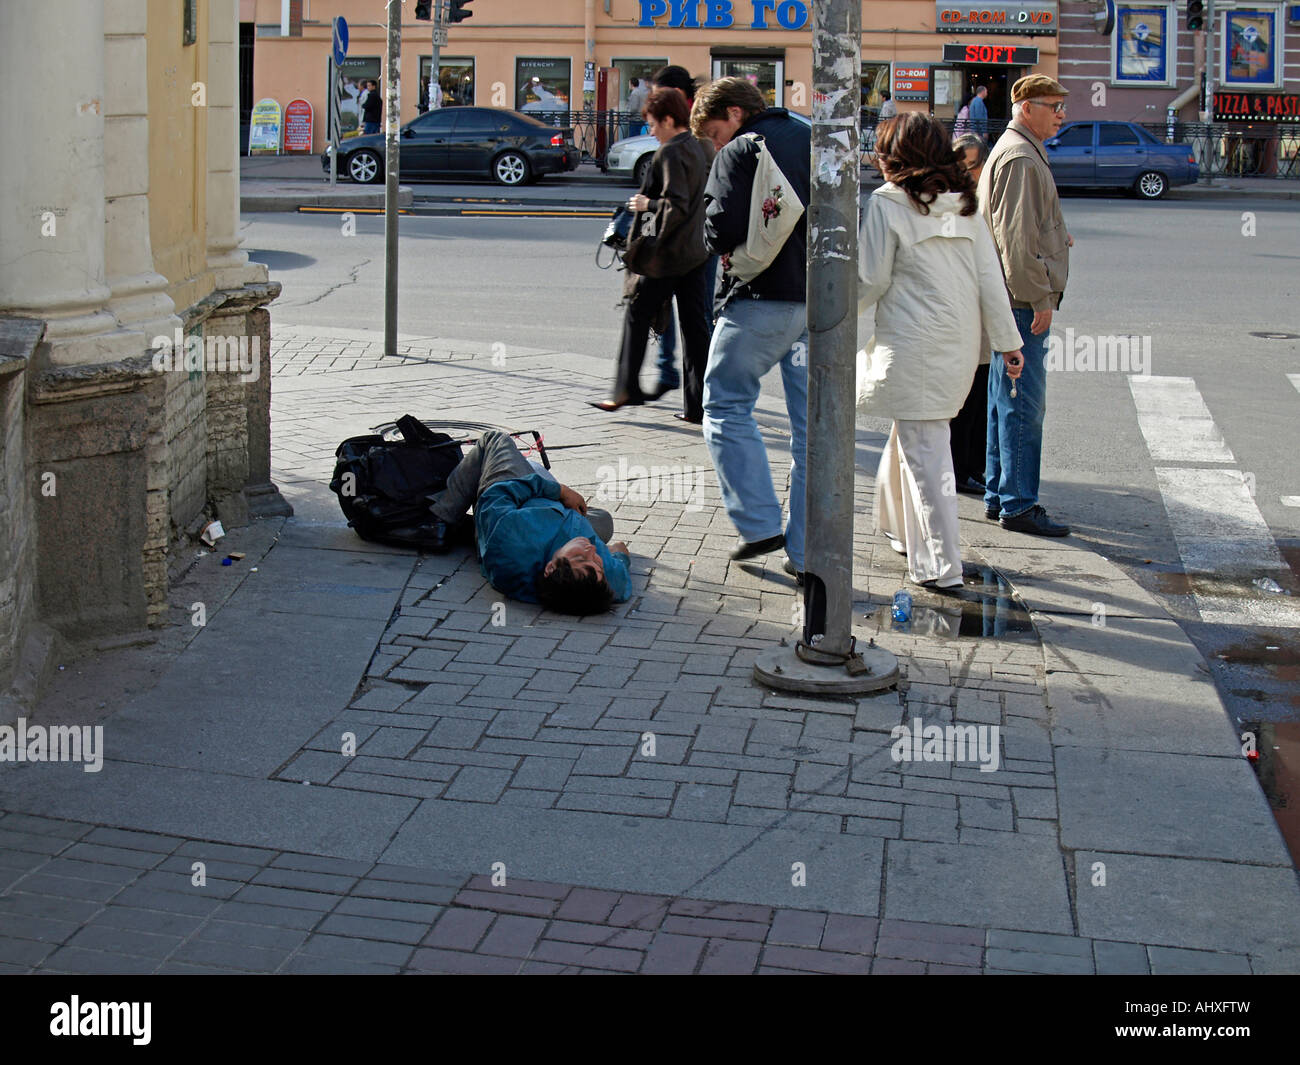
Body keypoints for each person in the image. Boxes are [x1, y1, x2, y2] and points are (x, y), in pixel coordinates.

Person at [856, 114, 1023, 591]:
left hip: (914, 346)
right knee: (913, 434)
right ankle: (897, 528)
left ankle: (940, 565)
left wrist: (827, 313)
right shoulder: (963, 204)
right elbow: (991, 278)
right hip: (958, 346)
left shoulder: (888, 204)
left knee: (926, 452)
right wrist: (1008, 342)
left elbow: (870, 279)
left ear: (896, 157)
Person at [692, 76, 812, 575]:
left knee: (724, 404)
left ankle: (760, 524)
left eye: (715, 132)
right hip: (821, 304)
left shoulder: (741, 149)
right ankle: (808, 555)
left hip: (760, 300)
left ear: (736, 114)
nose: (715, 144)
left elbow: (720, 228)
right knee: (812, 434)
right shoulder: (812, 135)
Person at [979, 74, 1073, 537]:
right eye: (1053, 105)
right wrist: (1039, 296)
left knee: (1005, 398)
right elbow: (1015, 243)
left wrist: (1058, 240)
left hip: (1011, 296)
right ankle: (1018, 503)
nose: (1060, 114)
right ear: (1025, 107)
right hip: (1020, 298)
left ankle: (1001, 495)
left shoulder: (1020, 148)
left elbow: (1024, 227)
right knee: (1022, 402)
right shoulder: (1020, 156)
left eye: (1061, 106)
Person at [590, 87, 712, 420]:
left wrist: (646, 208)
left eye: (654, 125)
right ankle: (697, 407)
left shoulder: (670, 153)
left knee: (636, 314)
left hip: (666, 258)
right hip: (694, 254)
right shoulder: (699, 147)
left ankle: (624, 390)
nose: (652, 132)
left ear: (670, 120)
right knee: (694, 329)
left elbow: (674, 206)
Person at [428, 431, 632, 614]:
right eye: (596, 562)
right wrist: (615, 555)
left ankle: (441, 518)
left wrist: (559, 491)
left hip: (521, 499)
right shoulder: (603, 582)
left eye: (580, 557)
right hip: (563, 516)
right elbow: (620, 555)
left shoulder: (512, 541)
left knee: (496, 439)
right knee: (604, 521)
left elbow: (497, 494)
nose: (591, 549)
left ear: (550, 568)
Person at [644, 65, 717, 405]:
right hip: (676, 236)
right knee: (667, 306)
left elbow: (687, 195)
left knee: (697, 316)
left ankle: (703, 390)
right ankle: (672, 374)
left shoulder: (696, 132)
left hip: (697, 239)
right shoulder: (673, 132)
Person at [948, 133, 993, 496]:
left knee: (979, 392)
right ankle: (961, 469)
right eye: (963, 165)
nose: (969, 172)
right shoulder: (954, 201)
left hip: (980, 312)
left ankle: (972, 467)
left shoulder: (981, 197)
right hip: (963, 313)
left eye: (973, 165)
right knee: (967, 397)